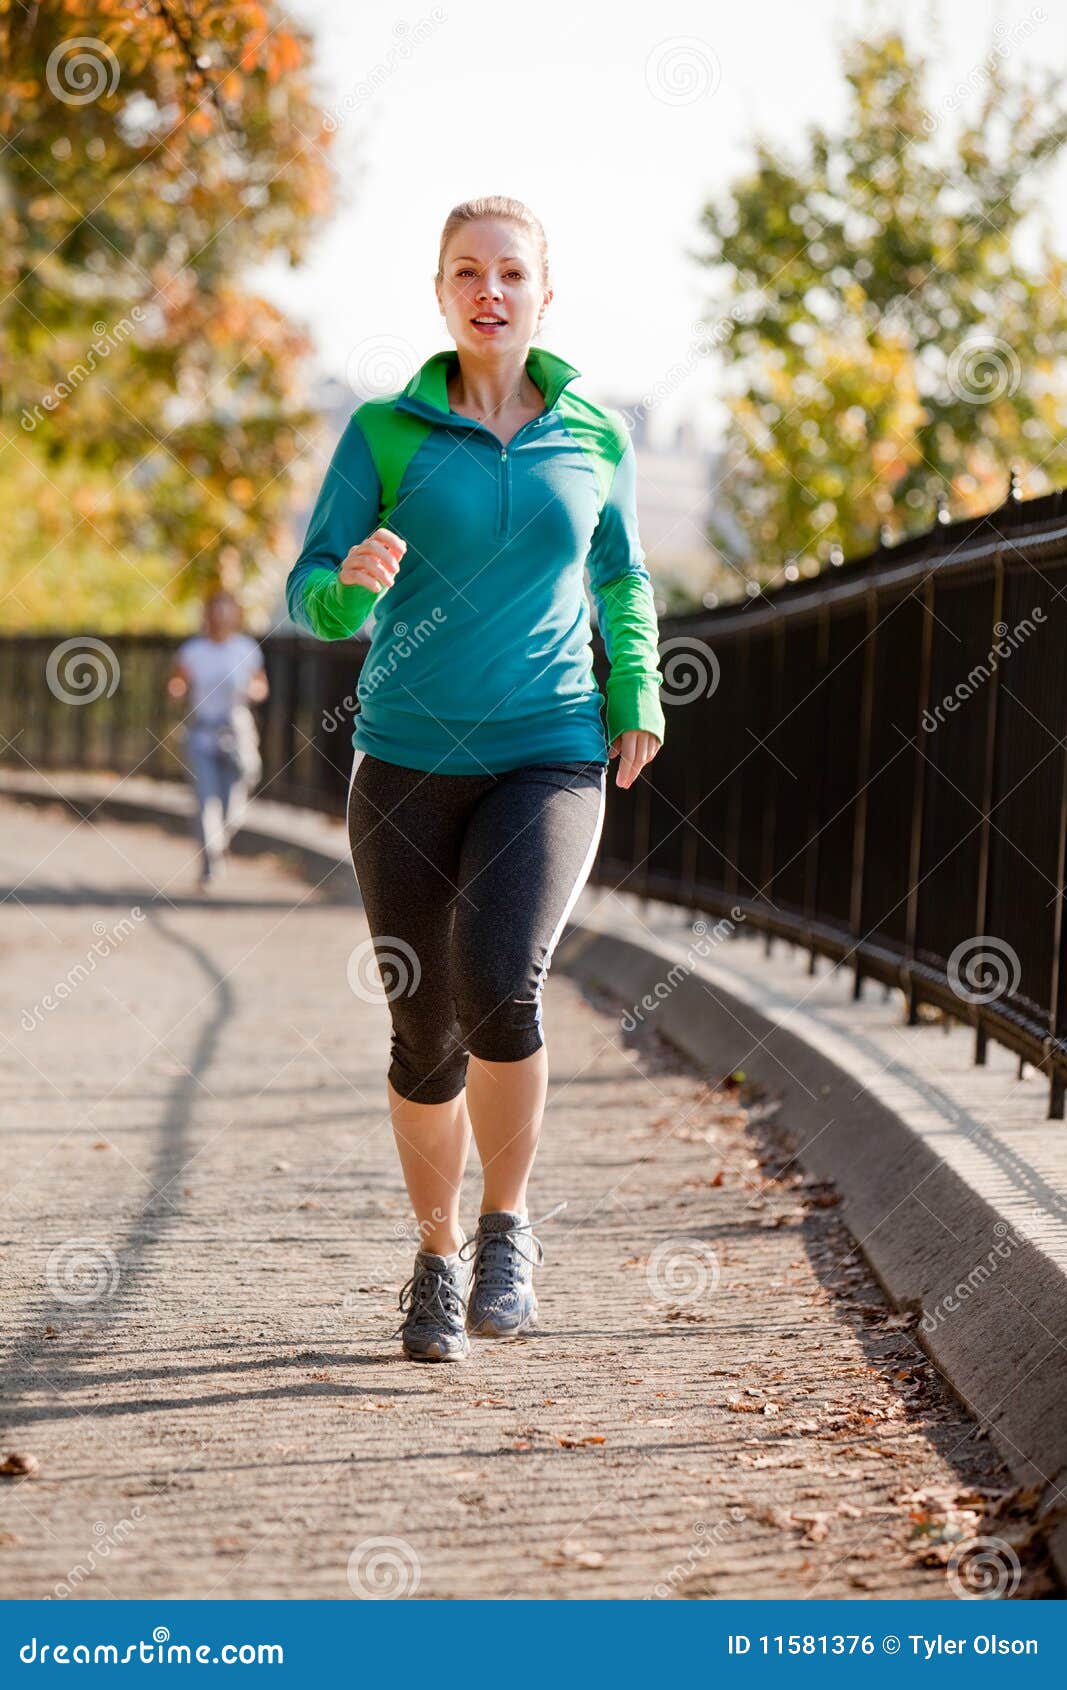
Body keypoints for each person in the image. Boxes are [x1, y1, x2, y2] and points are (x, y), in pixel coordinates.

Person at [286, 195, 665, 1363]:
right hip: (403, 755)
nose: (487, 289)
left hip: (548, 750)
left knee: (502, 975)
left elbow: (622, 579)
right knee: (421, 1028)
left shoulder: (594, 433)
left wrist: (635, 688)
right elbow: (309, 593)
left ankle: (505, 1229)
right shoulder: (383, 433)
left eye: (508, 271)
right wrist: (350, 583)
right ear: (441, 295)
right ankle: (435, 1254)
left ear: (544, 293)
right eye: (465, 273)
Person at [166, 590, 269, 892]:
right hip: (203, 732)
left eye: (228, 610)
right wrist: (176, 689)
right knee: (204, 799)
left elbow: (260, 684)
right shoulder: (193, 650)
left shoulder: (246, 648)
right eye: (217, 610)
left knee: (236, 796)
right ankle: (210, 862)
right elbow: (179, 680)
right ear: (208, 614)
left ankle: (220, 840)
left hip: (236, 730)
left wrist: (255, 692)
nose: (222, 617)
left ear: (236, 614)